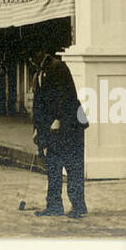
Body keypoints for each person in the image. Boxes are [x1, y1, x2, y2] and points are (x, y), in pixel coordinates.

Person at [31, 50, 89, 218]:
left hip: (70, 126)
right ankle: (54, 205)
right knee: (53, 167)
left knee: (73, 167)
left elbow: (68, 96)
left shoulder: (59, 68)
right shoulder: (40, 73)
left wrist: (59, 119)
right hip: (52, 129)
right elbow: (39, 104)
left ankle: (78, 206)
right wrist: (37, 129)